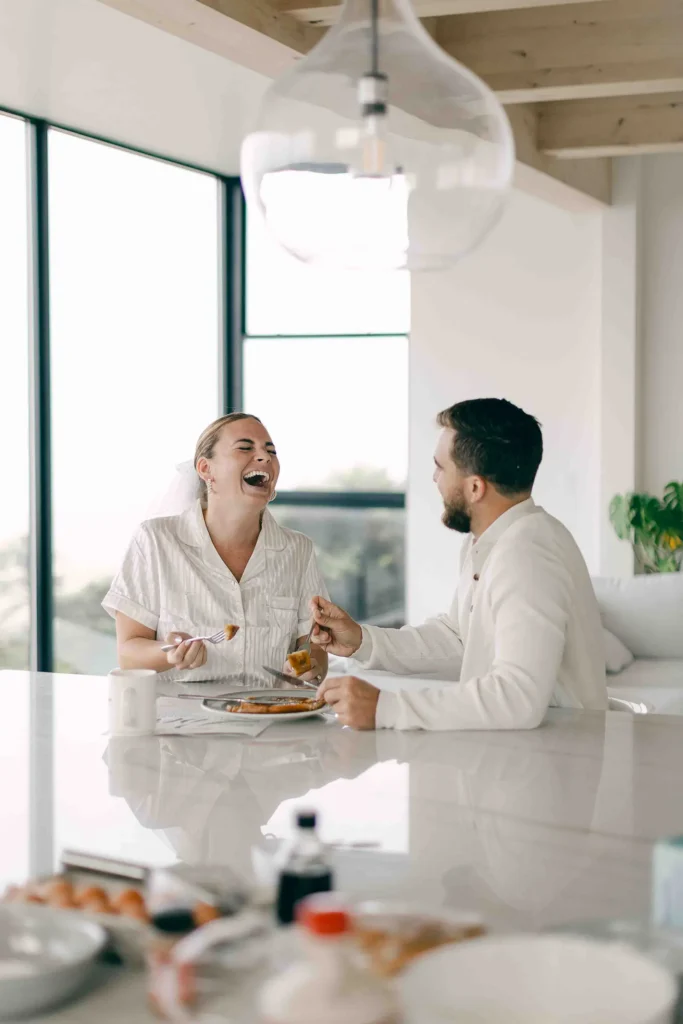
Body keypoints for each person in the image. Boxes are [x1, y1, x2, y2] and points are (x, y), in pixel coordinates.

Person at [312, 398, 608, 731]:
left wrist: (387, 708)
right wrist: (362, 641)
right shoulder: (489, 542)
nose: (434, 478)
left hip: (554, 763)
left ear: (475, 487)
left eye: (440, 466)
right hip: (513, 754)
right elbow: (460, 641)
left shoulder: (527, 553)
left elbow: (518, 697)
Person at [103, 413, 328, 685]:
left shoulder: (298, 550)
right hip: (180, 722)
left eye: (271, 451)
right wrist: (170, 655)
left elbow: (314, 646)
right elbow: (128, 653)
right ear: (206, 469)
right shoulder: (154, 540)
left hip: (271, 716)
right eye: (245, 448)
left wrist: (311, 666)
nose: (265, 457)